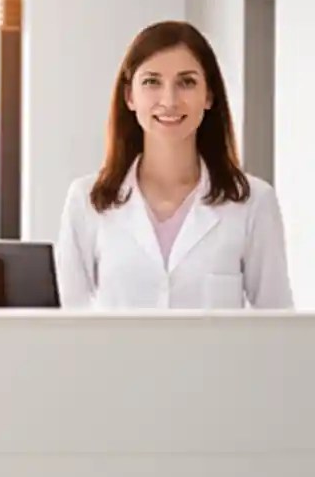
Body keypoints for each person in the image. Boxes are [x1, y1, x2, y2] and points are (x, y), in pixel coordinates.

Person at [56, 20, 294, 310]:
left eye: (187, 82)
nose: (169, 100)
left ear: (208, 96)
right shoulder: (86, 199)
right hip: (116, 358)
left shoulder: (253, 202)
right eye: (152, 82)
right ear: (130, 96)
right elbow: (68, 322)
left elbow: (277, 321)